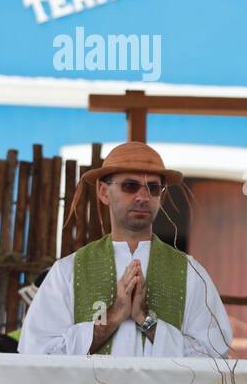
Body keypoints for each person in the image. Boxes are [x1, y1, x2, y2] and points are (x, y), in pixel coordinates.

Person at [20, 142, 232, 358]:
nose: (142, 196)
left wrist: (146, 320)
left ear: (162, 197)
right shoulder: (68, 271)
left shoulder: (190, 273)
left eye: (153, 188)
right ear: (104, 192)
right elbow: (38, 351)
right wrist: (112, 318)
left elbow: (213, 354)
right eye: (130, 186)